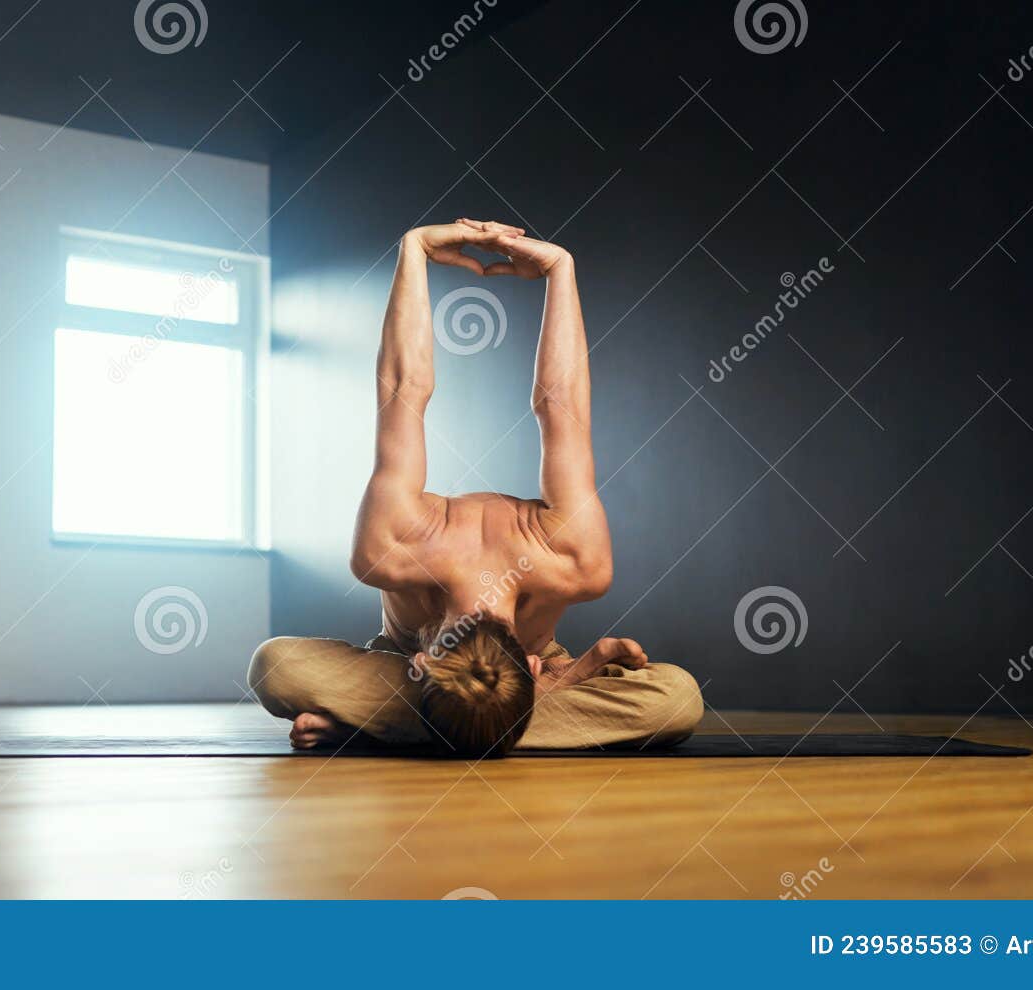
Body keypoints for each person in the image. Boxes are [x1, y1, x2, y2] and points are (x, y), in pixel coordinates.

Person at [250, 219, 703, 756]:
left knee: (275, 668)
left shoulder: (391, 549)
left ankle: (391, 724)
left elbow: (403, 394)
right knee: (676, 702)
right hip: (465, 677)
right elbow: (560, 410)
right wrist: (559, 270)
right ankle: (489, 720)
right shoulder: (572, 559)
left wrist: (417, 250)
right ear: (534, 667)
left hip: (461, 684)